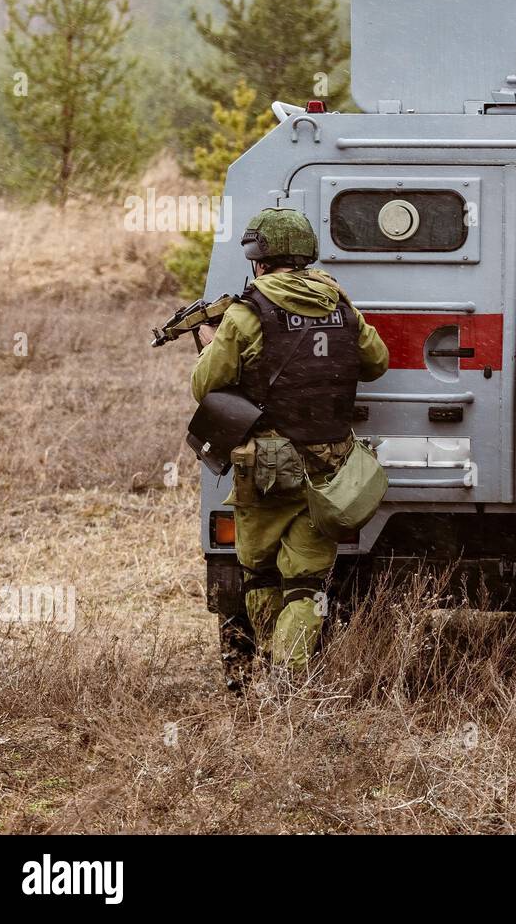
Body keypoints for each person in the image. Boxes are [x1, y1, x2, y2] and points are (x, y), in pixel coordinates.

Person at [192, 208, 389, 684]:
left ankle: (263, 666)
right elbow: (376, 362)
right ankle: (290, 679)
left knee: (259, 570)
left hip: (267, 467)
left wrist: (208, 344)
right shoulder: (340, 304)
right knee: (305, 582)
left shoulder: (245, 313)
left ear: (259, 260)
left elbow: (206, 386)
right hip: (331, 466)